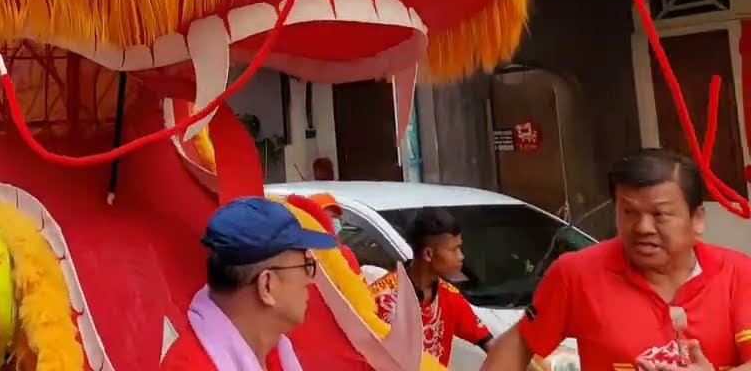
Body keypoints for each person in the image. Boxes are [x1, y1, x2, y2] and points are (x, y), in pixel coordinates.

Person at [482, 149, 751, 371]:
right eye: (629, 212)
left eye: (660, 215)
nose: (643, 227)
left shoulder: (738, 274)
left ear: (697, 219)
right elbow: (521, 343)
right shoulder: (576, 274)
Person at [161, 196, 337, 370]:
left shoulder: (274, 352)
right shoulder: (192, 366)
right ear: (267, 285)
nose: (310, 280)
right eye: (306, 266)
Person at [369, 208, 492, 367]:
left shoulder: (450, 296)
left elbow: (490, 343)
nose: (461, 256)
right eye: (454, 249)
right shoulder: (380, 297)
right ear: (428, 254)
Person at [311, 193, 362, 275]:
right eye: (326, 217)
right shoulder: (301, 257)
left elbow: (358, 280)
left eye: (335, 217)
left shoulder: (344, 253)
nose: (333, 222)